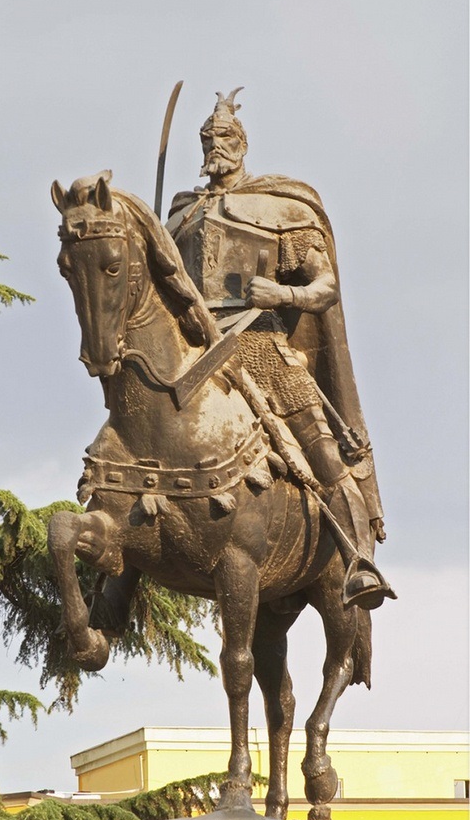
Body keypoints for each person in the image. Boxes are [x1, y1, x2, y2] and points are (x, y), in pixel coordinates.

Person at [166, 88, 393, 610]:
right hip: (196, 352)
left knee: (321, 451)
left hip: (260, 344)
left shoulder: (279, 207)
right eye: (206, 138)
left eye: (222, 137)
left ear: (242, 144)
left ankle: (359, 561)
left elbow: (325, 286)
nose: (213, 146)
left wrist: (283, 294)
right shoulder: (180, 214)